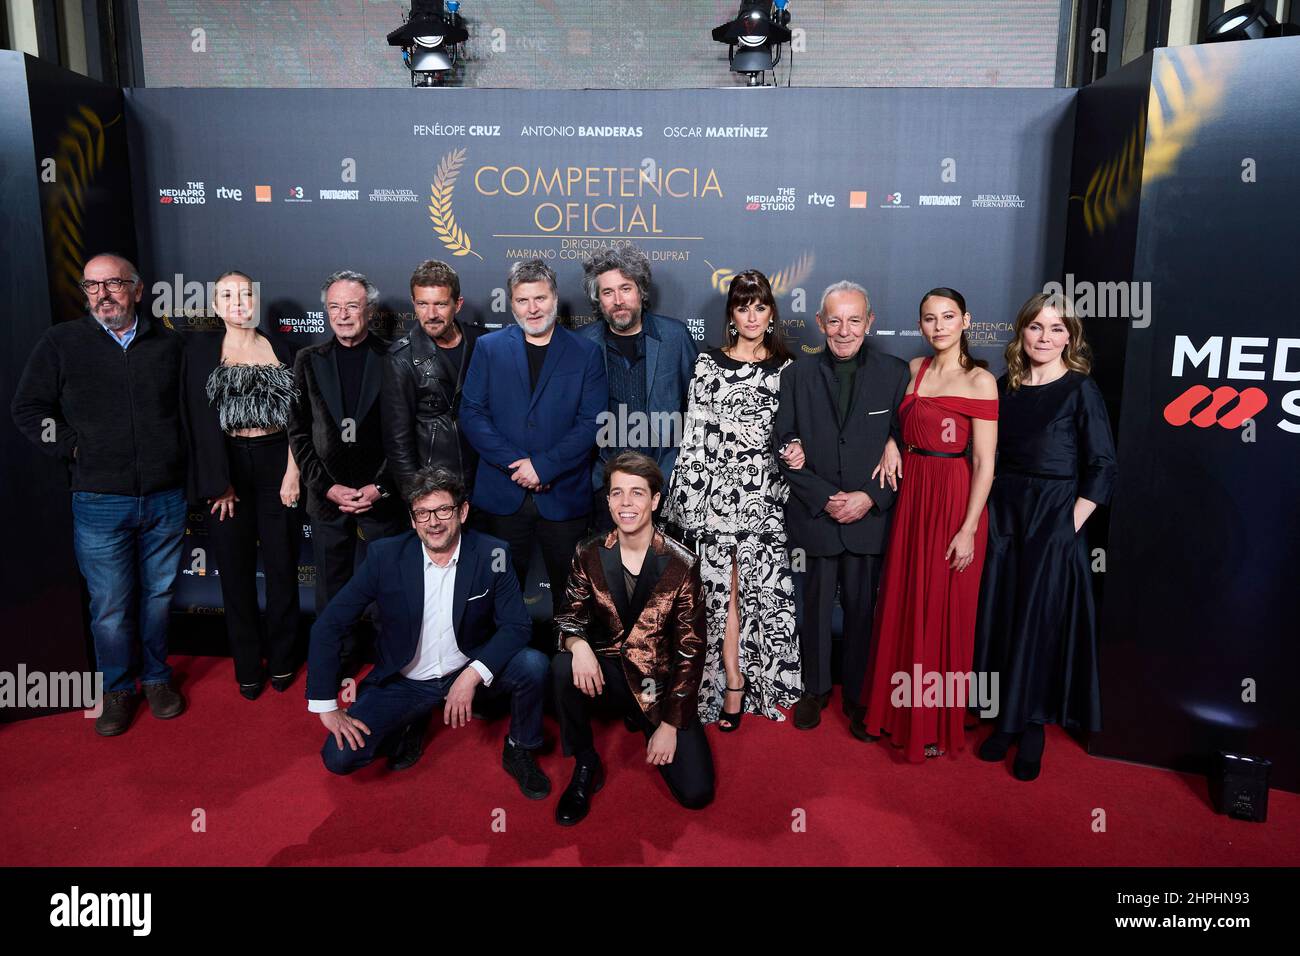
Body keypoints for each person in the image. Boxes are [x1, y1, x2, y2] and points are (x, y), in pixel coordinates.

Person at [11, 252, 187, 736]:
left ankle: (157, 679)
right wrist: (73, 448)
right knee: (110, 605)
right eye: (92, 286)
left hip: (165, 496)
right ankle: (117, 688)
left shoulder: (167, 345)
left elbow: (184, 416)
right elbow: (28, 409)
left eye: (112, 284)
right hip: (98, 500)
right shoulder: (61, 343)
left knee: (158, 596)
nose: (102, 295)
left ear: (137, 288)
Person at [306, 466, 550, 798]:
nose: (433, 522)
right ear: (412, 519)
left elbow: (517, 626)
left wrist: (471, 676)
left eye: (442, 510)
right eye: (422, 513)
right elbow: (329, 624)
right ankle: (413, 718)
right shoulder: (385, 556)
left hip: (464, 666)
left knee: (533, 665)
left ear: (462, 512)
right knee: (338, 757)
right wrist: (326, 705)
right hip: (405, 681)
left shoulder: (493, 553)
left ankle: (520, 746)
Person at [973, 292, 1117, 781]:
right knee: (1003, 613)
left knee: (1041, 620)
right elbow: (981, 458)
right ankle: (1002, 718)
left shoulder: (1081, 390)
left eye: (1058, 329)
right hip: (1004, 513)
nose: (1046, 337)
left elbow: (1102, 466)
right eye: (1037, 327)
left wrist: (1067, 527)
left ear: (1070, 338)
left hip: (1055, 516)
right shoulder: (1002, 387)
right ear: (1022, 331)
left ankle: (1031, 725)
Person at [861, 287, 999, 761]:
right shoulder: (915, 371)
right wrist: (892, 443)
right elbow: (899, 427)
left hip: (953, 498)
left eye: (947, 316)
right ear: (919, 325)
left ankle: (935, 721)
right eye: (928, 318)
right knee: (903, 600)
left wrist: (968, 528)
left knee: (944, 610)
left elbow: (984, 463)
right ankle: (897, 713)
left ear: (966, 320)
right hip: (913, 495)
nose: (938, 326)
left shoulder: (981, 381)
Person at [662, 270, 802, 730]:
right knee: (717, 595)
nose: (752, 316)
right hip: (711, 500)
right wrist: (684, 503)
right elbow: (695, 436)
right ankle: (723, 683)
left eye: (760, 307)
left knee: (754, 593)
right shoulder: (708, 362)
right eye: (743, 307)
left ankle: (746, 684)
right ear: (731, 315)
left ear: (772, 313)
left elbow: (794, 433)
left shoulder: (787, 367)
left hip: (761, 496)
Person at [773, 281, 910, 736]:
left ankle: (858, 694)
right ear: (820, 323)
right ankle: (814, 690)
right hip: (815, 515)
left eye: (855, 320)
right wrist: (824, 497)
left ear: (870, 323)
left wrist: (871, 497)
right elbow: (784, 444)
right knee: (811, 607)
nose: (844, 330)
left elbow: (909, 444)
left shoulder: (895, 373)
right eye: (835, 320)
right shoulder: (796, 374)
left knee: (862, 610)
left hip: (868, 517)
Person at [551, 452, 714, 825]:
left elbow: (691, 650)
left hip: (659, 687)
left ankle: (645, 722)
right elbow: (566, 619)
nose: (626, 504)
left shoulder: (682, 564)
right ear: (607, 500)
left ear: (655, 500)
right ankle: (585, 762)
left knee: (697, 793)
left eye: (637, 493)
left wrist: (669, 726)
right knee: (561, 666)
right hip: (606, 675)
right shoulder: (588, 553)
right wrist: (578, 647)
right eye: (617, 493)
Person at [181, 269, 302, 700]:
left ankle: (285, 659)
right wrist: (219, 483)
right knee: (234, 575)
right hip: (226, 471)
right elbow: (194, 423)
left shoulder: (283, 348)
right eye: (228, 295)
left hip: (277, 467)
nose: (238, 301)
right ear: (215, 305)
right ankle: (249, 666)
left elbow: (300, 419)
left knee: (284, 568)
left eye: (245, 293)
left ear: (256, 299)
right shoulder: (198, 353)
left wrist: (294, 471)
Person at [459, 258, 607, 604]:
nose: (533, 308)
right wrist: (519, 465)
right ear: (511, 304)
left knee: (572, 601)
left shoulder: (585, 353)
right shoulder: (489, 348)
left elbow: (592, 422)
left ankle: (568, 659)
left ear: (554, 298)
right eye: (523, 300)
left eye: (540, 298)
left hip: (564, 498)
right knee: (493, 600)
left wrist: (544, 467)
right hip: (501, 498)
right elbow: (472, 413)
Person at [288, 270, 405, 675]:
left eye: (351, 306)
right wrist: (327, 487)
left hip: (383, 499)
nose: (342, 315)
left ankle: (391, 666)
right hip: (327, 500)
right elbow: (298, 431)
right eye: (334, 307)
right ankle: (335, 663)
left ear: (369, 311)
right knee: (331, 591)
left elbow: (405, 434)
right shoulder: (307, 359)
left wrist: (380, 487)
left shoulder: (394, 356)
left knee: (388, 591)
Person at [574, 245, 699, 527]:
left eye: (625, 289)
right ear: (599, 300)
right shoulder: (582, 343)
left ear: (641, 291)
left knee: (665, 570)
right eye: (608, 293)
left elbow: (698, 411)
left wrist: (671, 473)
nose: (618, 300)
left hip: (665, 485)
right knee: (607, 569)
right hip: (604, 487)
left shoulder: (674, 337)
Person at [382, 260, 483, 495]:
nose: (431, 314)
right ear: (413, 305)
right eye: (422, 304)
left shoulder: (482, 342)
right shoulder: (401, 358)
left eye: (440, 304)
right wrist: (417, 499)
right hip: (435, 490)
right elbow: (398, 443)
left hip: (486, 481)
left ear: (457, 304)